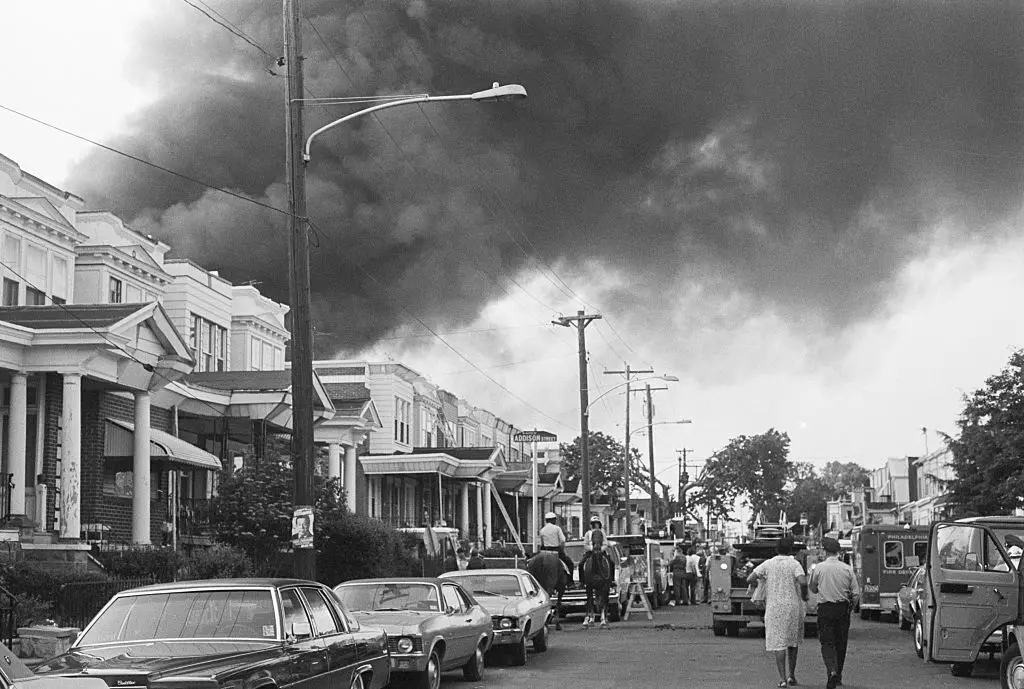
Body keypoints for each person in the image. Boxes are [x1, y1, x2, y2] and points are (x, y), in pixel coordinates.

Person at [747, 536, 808, 688]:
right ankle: (792, 676)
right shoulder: (794, 563)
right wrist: (805, 594)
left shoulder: (768, 564)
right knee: (792, 642)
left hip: (774, 607)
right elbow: (803, 581)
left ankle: (782, 679)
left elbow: (750, 578)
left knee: (779, 642)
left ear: (776, 549)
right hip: (792, 607)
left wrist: (762, 583)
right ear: (790, 549)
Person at [809, 537, 859, 689]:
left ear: (825, 551)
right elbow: (856, 594)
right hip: (842, 608)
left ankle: (831, 670)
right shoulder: (847, 568)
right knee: (841, 643)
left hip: (825, 608)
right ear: (838, 552)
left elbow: (813, 587)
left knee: (827, 642)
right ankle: (838, 675)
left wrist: (820, 589)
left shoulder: (819, 568)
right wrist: (850, 608)